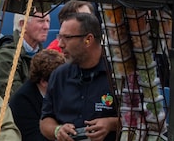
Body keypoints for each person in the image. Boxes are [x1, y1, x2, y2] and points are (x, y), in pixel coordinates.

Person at [40, 12, 118, 141]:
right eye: (59, 37)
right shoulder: (59, 75)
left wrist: (111, 124)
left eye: (67, 38)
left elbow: (141, 121)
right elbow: (45, 121)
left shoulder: (117, 75)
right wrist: (57, 130)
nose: (60, 44)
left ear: (88, 40)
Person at [10, 48, 66, 141]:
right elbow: (33, 137)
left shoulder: (61, 92)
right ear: (44, 82)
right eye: (59, 80)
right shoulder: (22, 102)